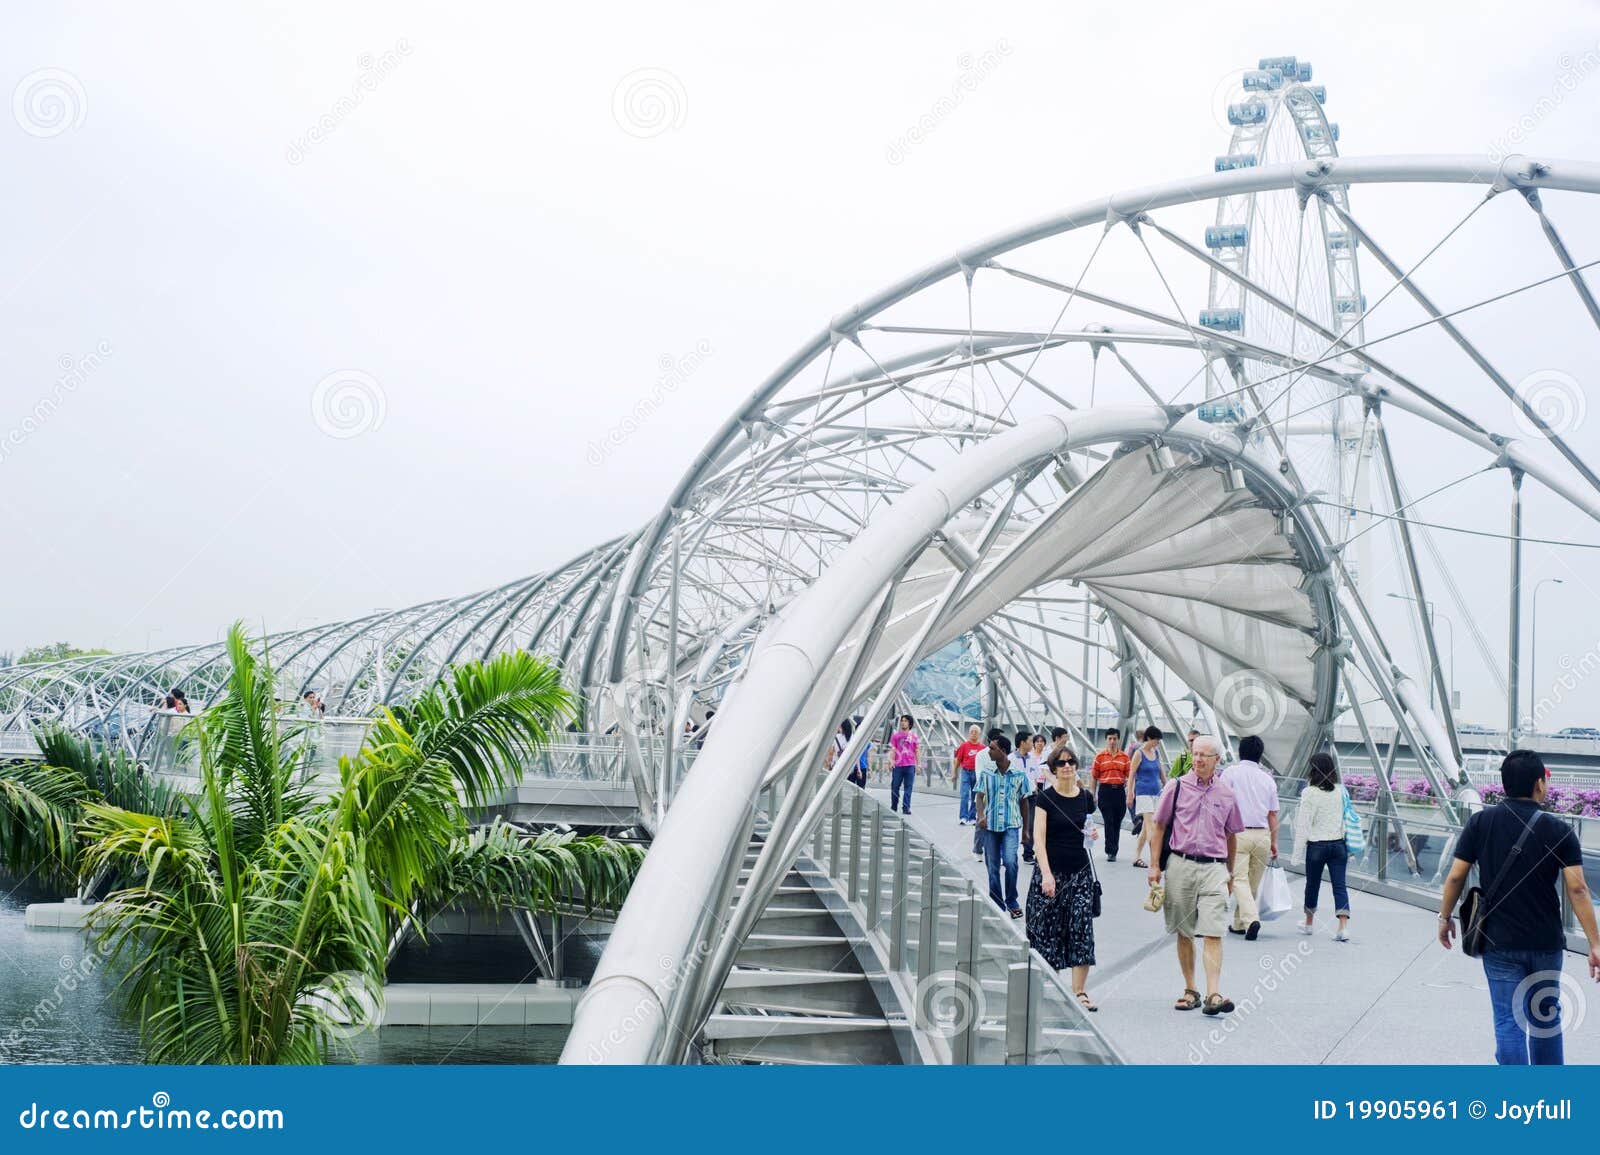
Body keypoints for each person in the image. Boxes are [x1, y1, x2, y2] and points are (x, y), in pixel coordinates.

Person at [1438, 749, 1600, 1065]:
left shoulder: (1480, 822)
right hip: (1545, 942)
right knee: (1545, 1018)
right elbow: (1578, 889)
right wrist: (1595, 943)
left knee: (1508, 1021)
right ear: (1539, 784)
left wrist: (1445, 918)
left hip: (1498, 942)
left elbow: (1456, 875)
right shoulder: (1559, 830)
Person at [1147, 735, 1243, 1016]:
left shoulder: (1226, 794)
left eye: (1204, 755)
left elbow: (1231, 835)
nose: (1198, 759)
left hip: (1214, 867)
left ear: (1217, 760)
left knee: (1214, 930)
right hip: (1180, 864)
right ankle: (1191, 990)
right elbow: (1159, 826)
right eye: (1195, 754)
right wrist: (1154, 865)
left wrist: (1230, 873)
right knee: (1184, 930)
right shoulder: (1176, 787)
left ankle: (1214, 993)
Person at [1026, 748, 1098, 1011]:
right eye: (1061, 762)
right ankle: (1051, 987)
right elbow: (1038, 838)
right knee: (1047, 929)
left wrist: (1092, 835)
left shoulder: (1086, 798)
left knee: (1082, 927)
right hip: (1051, 873)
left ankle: (1079, 992)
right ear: (1054, 768)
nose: (1067, 766)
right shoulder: (1045, 798)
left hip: (1080, 872)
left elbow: (1087, 830)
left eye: (1071, 762)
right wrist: (1046, 874)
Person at [1221, 734, 1279, 940]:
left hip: (1238, 834)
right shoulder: (1268, 779)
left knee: (1239, 879)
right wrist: (1274, 842)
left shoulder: (1230, 773)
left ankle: (1252, 919)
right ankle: (1239, 924)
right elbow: (1273, 814)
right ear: (1260, 755)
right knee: (1252, 883)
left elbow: (1222, 804)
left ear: (1240, 752)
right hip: (1263, 834)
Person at [1292, 752, 1351, 941]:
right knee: (1340, 886)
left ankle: (1309, 923)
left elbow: (1303, 825)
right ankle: (1343, 928)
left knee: (1312, 884)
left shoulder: (1309, 792)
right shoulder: (1341, 791)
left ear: (1313, 770)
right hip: (1338, 845)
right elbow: (1346, 818)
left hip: (1317, 846)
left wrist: (1296, 854)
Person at [974, 734, 1028, 917]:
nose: (988, 751)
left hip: (1011, 826)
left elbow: (1024, 802)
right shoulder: (987, 773)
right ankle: (997, 903)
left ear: (1003, 751)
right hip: (990, 827)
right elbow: (979, 796)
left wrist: (1026, 830)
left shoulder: (1019, 774)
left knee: (1011, 862)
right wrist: (981, 815)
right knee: (993, 866)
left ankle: (1011, 900)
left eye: (992, 748)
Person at [1129, 726, 1168, 869]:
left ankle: (1136, 857)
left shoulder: (1155, 752)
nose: (1158, 743)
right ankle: (1155, 861)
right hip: (1143, 793)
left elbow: (1161, 772)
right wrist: (1130, 793)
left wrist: (1167, 787)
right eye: (1157, 740)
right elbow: (1132, 774)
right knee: (1151, 825)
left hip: (1156, 793)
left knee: (1146, 828)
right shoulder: (1139, 753)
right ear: (1149, 738)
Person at [1091, 728, 1132, 862]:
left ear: (1118, 739)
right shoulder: (1100, 757)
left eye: (1114, 738)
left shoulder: (1125, 757)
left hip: (1119, 792)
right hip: (1105, 791)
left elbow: (1130, 776)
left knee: (1117, 822)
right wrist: (1093, 794)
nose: (1112, 741)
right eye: (1110, 739)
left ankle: (1114, 849)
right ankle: (1110, 851)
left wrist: (1129, 789)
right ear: (1106, 740)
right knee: (1108, 821)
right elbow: (1094, 777)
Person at [951, 724, 985, 825]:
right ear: (969, 733)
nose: (973, 733)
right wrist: (954, 772)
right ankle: (963, 817)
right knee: (964, 794)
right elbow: (958, 760)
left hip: (977, 773)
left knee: (976, 796)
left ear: (979, 734)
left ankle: (972, 817)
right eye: (971, 732)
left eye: (976, 732)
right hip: (966, 772)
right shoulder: (964, 746)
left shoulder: (983, 747)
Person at [888, 714, 920, 814]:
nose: (903, 722)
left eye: (905, 721)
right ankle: (894, 806)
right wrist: (891, 761)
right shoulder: (896, 736)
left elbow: (917, 751)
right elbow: (893, 749)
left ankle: (906, 808)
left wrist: (918, 765)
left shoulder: (914, 736)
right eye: (902, 720)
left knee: (908, 788)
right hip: (898, 766)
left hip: (910, 765)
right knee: (895, 786)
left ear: (909, 723)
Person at [1013, 730, 1037, 863]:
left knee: (1030, 825)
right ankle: (1010, 852)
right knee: (1013, 824)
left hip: (1031, 797)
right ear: (1022, 743)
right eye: (1030, 741)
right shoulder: (1010, 759)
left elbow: (1035, 776)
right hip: (1015, 797)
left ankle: (1028, 854)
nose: (1032, 744)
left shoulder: (1032, 759)